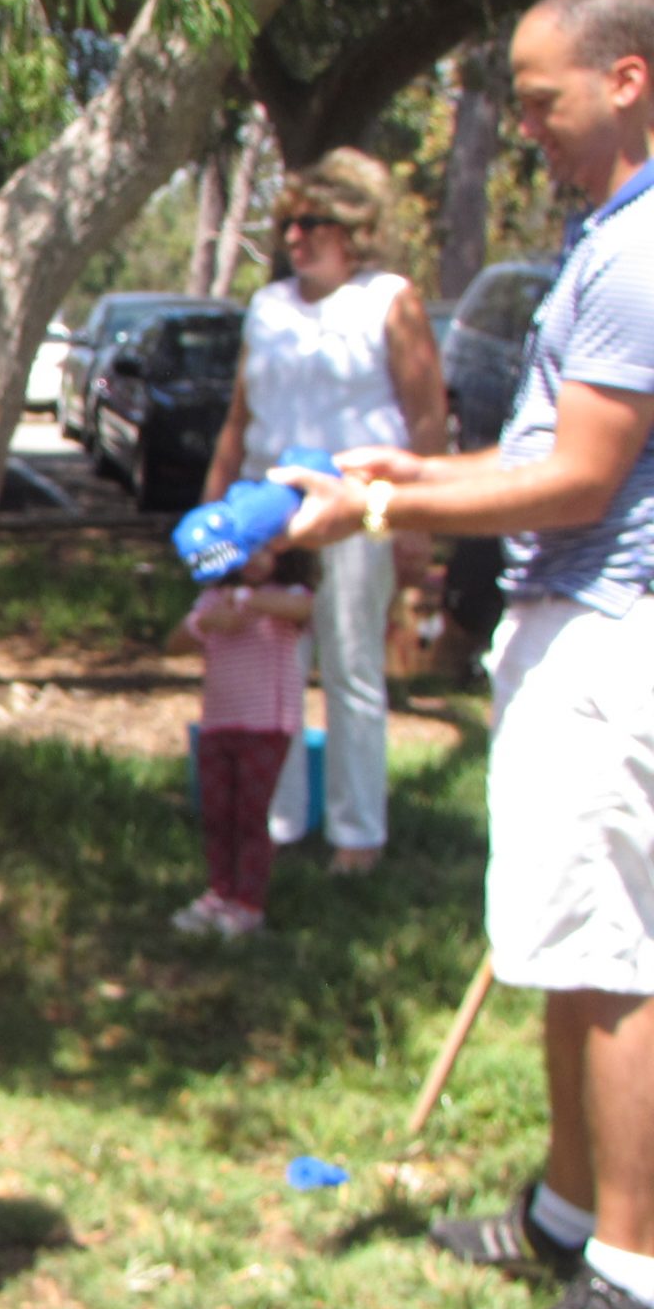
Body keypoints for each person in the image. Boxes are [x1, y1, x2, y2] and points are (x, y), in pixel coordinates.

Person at [281, 0, 654, 1309]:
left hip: (615, 635)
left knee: (617, 960)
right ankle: (566, 1209)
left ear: (625, 81)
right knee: (564, 937)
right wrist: (415, 473)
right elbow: (547, 448)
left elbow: (584, 476)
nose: (527, 128)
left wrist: (383, 513)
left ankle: (630, 1275)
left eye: (542, 102)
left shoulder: (640, 251)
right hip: (573, 624)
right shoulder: (604, 237)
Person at [201, 149, 445, 876]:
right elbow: (240, 418)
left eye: (312, 222)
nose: (295, 237)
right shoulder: (269, 307)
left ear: (353, 228)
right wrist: (215, 510)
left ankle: (357, 836)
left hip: (356, 505)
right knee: (272, 663)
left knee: (351, 663)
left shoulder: (390, 300)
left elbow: (426, 417)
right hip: (270, 508)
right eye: (289, 223)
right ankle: (276, 825)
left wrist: (418, 524)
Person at [166, 546, 317, 937]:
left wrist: (248, 599)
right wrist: (206, 622)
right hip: (217, 723)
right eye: (245, 551)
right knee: (218, 814)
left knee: (251, 816)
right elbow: (174, 643)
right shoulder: (213, 599)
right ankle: (219, 892)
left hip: (267, 725)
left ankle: (248, 903)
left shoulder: (287, 596)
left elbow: (304, 609)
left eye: (264, 550)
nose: (254, 560)